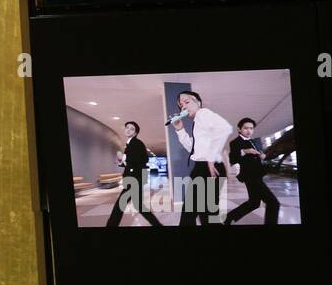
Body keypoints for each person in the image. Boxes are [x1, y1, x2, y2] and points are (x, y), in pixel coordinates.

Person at [170, 89, 233, 226]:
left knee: (193, 214)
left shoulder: (203, 113)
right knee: (206, 215)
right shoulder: (197, 121)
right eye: (181, 105)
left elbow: (225, 128)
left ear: (198, 102)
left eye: (187, 102)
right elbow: (194, 149)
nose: (184, 106)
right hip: (202, 168)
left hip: (208, 168)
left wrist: (210, 158)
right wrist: (180, 130)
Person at [106, 121, 163, 228]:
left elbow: (144, 159)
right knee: (139, 206)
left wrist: (124, 157)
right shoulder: (130, 144)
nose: (128, 130)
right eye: (127, 127)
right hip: (133, 179)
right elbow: (131, 163)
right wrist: (121, 161)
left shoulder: (137, 143)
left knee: (119, 206)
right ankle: (158, 225)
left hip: (134, 180)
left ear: (136, 133)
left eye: (132, 129)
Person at [225, 118, 281, 226]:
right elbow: (233, 158)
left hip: (257, 175)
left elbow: (256, 156)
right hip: (250, 176)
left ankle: (230, 218)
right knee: (273, 203)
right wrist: (245, 151)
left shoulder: (252, 141)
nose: (249, 131)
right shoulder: (235, 142)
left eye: (251, 128)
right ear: (239, 129)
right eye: (246, 128)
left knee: (254, 203)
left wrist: (262, 156)